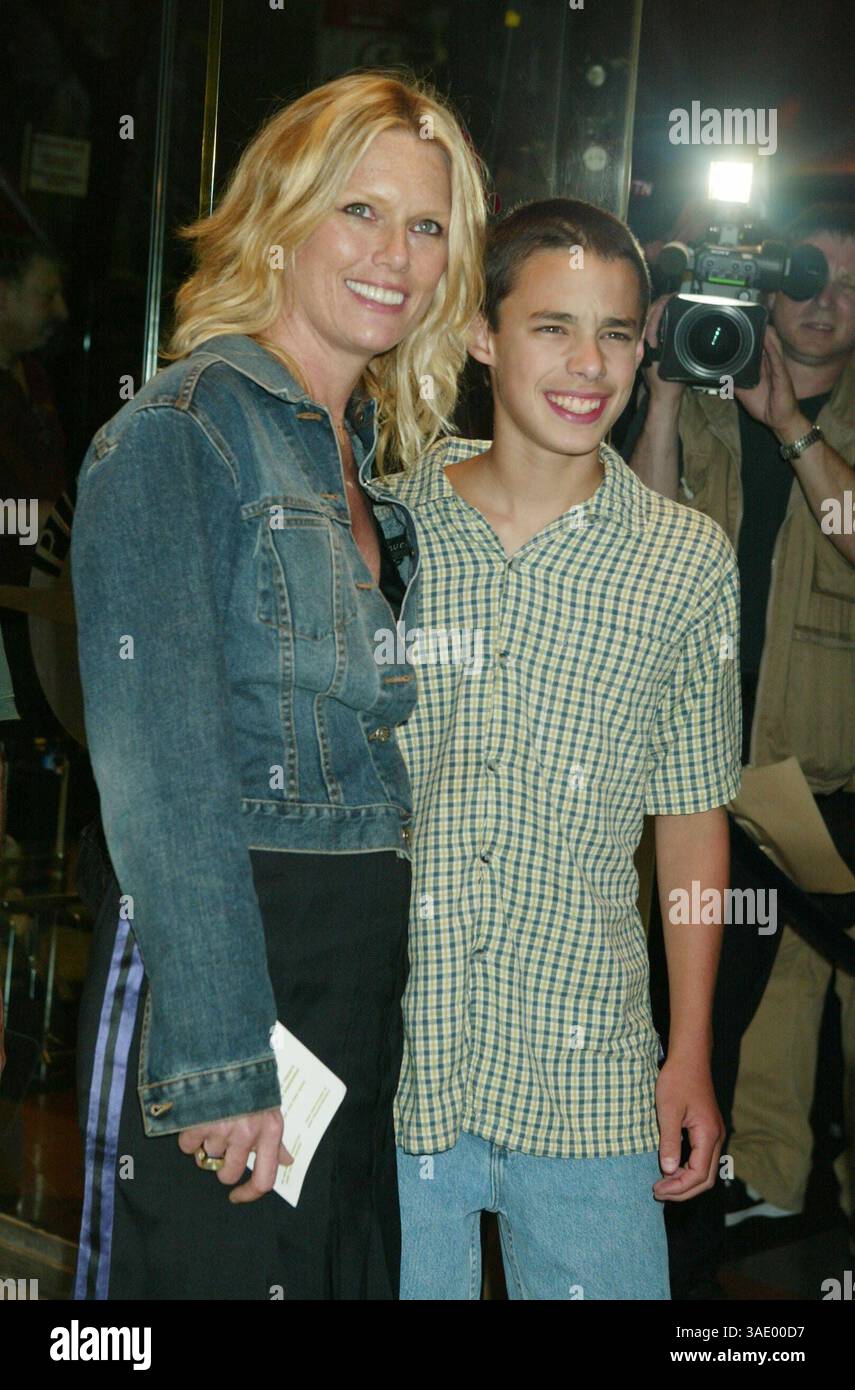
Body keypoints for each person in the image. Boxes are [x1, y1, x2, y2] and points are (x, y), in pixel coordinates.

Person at [70, 69, 487, 1301]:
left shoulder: (359, 462)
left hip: (350, 966)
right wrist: (219, 1060)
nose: (395, 257)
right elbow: (160, 776)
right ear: (280, 216)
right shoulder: (180, 432)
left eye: (425, 228)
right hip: (229, 950)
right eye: (359, 212)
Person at [379, 199, 742, 1300]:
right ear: (483, 335)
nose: (591, 365)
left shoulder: (685, 562)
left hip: (588, 1072)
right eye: (553, 327)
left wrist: (689, 1050)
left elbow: (691, 823)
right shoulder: (388, 526)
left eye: (619, 333)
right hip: (398, 1059)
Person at [623, 201, 855, 1293]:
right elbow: (644, 537)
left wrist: (797, 433)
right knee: (702, 1014)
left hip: (831, 786)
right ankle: (702, 1210)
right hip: (716, 778)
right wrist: (667, 392)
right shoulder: (708, 403)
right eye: (808, 278)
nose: (825, 303)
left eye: (850, 287)